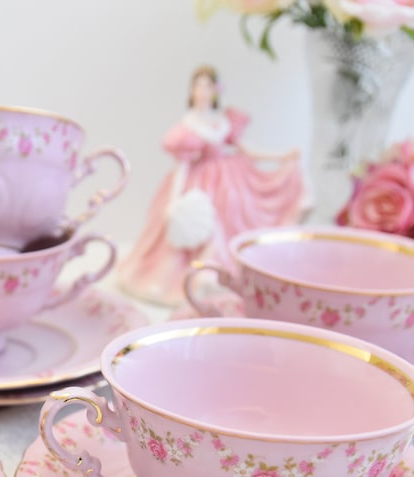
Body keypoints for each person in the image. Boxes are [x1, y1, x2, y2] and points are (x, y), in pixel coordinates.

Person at [119, 65, 307, 305]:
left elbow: (247, 150)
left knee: (238, 213)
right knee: (202, 227)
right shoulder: (187, 126)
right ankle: (200, 275)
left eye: (208, 85)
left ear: (216, 90)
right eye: (198, 85)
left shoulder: (224, 121)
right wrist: (174, 200)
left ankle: (223, 275)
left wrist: (281, 157)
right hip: (199, 183)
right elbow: (182, 167)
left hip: (229, 180)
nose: (202, 90)